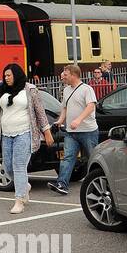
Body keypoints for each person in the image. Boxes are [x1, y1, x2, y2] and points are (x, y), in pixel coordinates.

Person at [0, 64, 53, 215]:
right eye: (5, 76)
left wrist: (47, 131)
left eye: (9, 75)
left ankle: (19, 200)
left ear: (17, 75)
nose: (6, 78)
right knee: (8, 167)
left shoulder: (30, 89)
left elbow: (40, 112)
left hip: (24, 133)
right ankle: (24, 185)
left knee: (19, 166)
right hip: (6, 134)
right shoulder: (2, 90)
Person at [49, 65, 98, 196]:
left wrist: (78, 120)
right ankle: (62, 184)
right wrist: (60, 121)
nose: (62, 77)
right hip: (71, 132)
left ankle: (99, 183)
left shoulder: (87, 89)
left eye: (65, 74)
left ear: (74, 75)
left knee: (93, 158)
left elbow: (91, 106)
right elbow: (65, 108)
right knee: (68, 158)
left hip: (88, 131)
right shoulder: (66, 90)